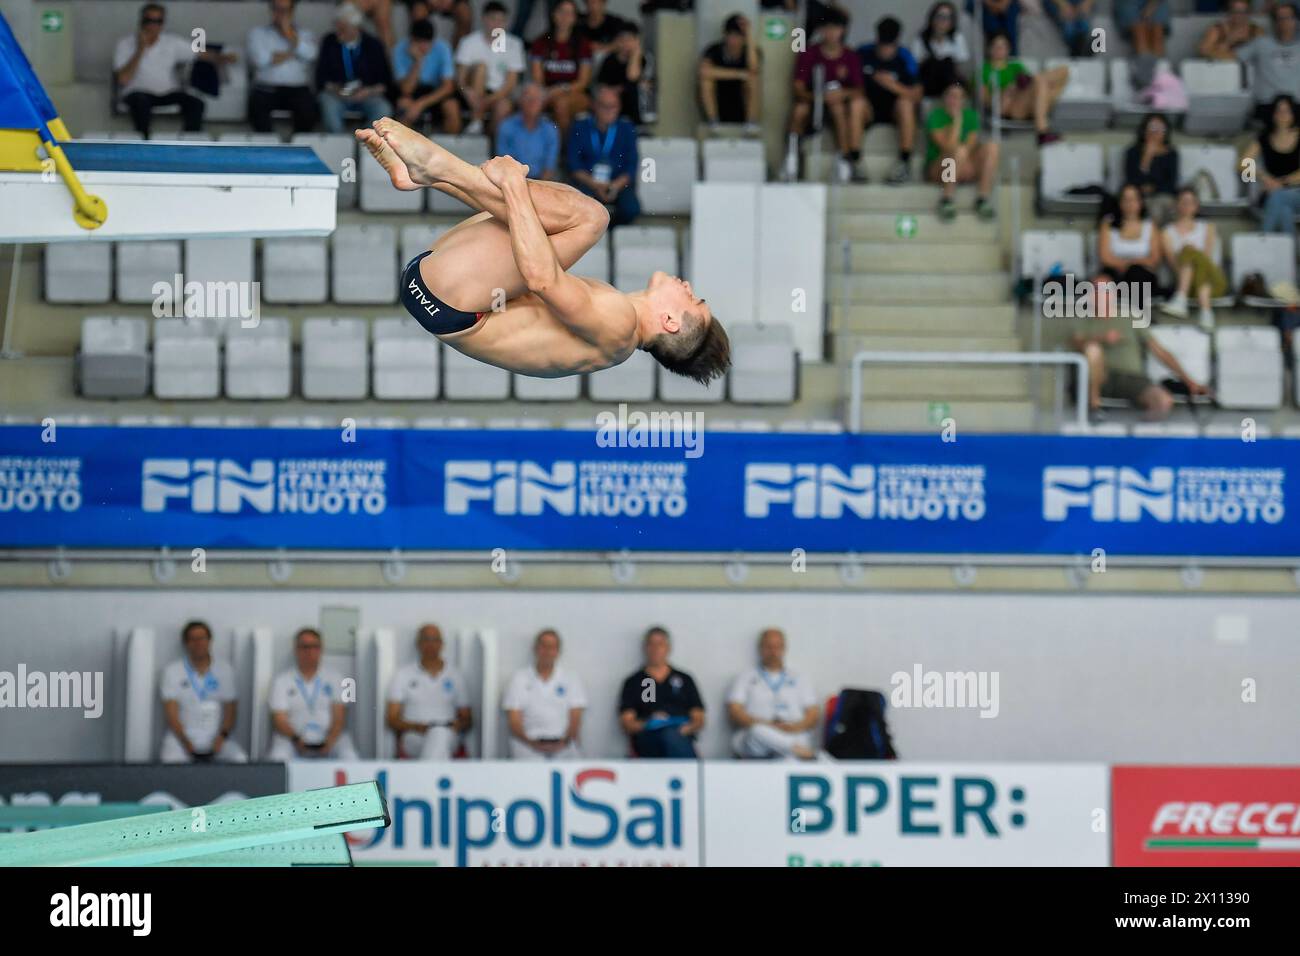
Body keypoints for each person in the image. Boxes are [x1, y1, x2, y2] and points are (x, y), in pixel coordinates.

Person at [359, 119, 731, 382]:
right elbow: (527, 245)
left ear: (670, 322)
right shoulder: (616, 327)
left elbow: (540, 278)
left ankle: (437, 169)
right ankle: (428, 175)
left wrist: (513, 184)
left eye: (693, 300)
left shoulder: (619, 327)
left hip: (451, 300)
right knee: (558, 217)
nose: (688, 287)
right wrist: (512, 191)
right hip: (440, 290)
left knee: (591, 218)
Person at [112, 3, 236, 137]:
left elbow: (199, 53)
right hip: (137, 93)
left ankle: (188, 144)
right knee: (140, 102)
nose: (153, 25)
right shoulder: (125, 44)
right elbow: (122, 79)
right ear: (141, 21)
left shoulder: (171, 42)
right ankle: (144, 143)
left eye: (158, 21)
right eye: (149, 20)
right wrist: (140, 50)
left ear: (163, 23)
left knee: (196, 104)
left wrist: (224, 57)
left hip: (167, 93)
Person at [785, 7, 866, 184]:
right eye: (827, 28)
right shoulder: (807, 53)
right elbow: (798, 87)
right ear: (820, 30)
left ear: (842, 30)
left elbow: (859, 89)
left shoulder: (851, 56)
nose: (831, 33)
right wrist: (819, 97)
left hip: (839, 106)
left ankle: (846, 159)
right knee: (799, 110)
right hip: (813, 102)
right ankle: (791, 157)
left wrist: (841, 94)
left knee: (839, 107)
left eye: (835, 28)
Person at [159, 620, 248, 764]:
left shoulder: (224, 670)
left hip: (216, 736)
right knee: (169, 760)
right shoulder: (172, 671)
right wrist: (186, 742)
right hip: (182, 737)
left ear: (210, 641)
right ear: (186, 643)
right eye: (193, 639)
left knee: (239, 759)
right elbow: (171, 713)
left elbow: (230, 710)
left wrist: (221, 737)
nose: (198, 643)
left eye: (202, 638)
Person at [727, 629, 819, 761]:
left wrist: (795, 727)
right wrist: (769, 725)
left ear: (784, 648)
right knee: (757, 732)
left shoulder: (799, 678)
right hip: (758, 736)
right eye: (768, 646)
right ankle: (801, 752)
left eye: (777, 646)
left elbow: (813, 713)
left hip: (791, 731)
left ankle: (792, 750)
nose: (773, 651)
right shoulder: (745, 677)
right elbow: (734, 711)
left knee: (797, 747)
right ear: (760, 649)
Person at [267, 627, 358, 760]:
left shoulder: (337, 678)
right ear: (296, 649)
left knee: (349, 755)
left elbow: (339, 718)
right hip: (293, 738)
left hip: (328, 737)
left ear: (321, 650)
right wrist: (296, 739)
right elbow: (279, 719)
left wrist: (329, 741)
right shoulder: (282, 681)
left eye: (314, 647)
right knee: (278, 757)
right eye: (304, 647)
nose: (309, 651)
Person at [384, 624, 472, 759]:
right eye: (426, 639)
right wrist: (417, 727)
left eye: (435, 640)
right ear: (418, 644)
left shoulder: (455, 675)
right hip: (414, 735)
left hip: (448, 734)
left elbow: (467, 718)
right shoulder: (403, 675)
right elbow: (392, 718)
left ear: (442, 644)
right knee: (438, 739)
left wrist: (456, 725)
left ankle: (424, 777)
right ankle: (431, 776)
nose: (431, 644)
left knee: (440, 734)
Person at [618, 627, 705, 759]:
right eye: (651, 644)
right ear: (645, 648)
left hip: (680, 736)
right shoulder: (634, 682)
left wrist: (684, 728)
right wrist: (650, 723)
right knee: (665, 735)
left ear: (668, 648)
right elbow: (627, 722)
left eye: (660, 644)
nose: (655, 649)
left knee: (671, 736)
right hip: (647, 740)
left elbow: (699, 718)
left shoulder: (684, 679)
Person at [503, 629, 587, 760]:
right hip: (528, 743)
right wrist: (532, 743)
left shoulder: (571, 678)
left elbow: (576, 718)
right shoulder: (519, 678)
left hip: (562, 743)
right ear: (535, 649)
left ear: (558, 651)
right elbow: (514, 720)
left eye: (552, 647)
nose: (547, 651)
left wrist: (563, 742)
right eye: (543, 646)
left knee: (573, 756)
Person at [858, 15, 922, 185]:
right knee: (856, 103)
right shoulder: (863, 52)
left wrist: (892, 85)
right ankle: (854, 160)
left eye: (889, 46)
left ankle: (904, 162)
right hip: (869, 109)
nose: (885, 50)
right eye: (882, 45)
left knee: (905, 104)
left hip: (895, 111)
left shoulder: (905, 56)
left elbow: (917, 94)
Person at [925, 81, 1000, 221]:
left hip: (963, 164)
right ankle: (947, 199)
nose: (955, 100)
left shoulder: (971, 116)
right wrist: (957, 121)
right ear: (945, 98)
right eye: (951, 96)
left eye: (959, 97)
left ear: (964, 101)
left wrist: (963, 163)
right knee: (958, 151)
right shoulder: (935, 116)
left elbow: (970, 146)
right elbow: (947, 148)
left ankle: (982, 199)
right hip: (939, 167)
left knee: (992, 147)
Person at [316, 2, 394, 133]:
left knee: (383, 109)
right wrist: (337, 89)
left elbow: (384, 82)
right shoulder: (329, 42)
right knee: (328, 104)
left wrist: (367, 91)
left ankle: (364, 142)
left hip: (367, 95)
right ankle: (340, 144)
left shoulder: (373, 45)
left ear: (356, 28)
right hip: (337, 95)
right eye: (337, 27)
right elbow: (321, 78)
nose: (339, 33)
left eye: (343, 29)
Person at [568, 85, 640, 224]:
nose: (609, 111)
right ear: (595, 105)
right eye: (604, 106)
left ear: (619, 107)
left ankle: (611, 234)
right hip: (588, 182)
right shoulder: (580, 126)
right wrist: (596, 185)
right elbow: (574, 165)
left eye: (613, 106)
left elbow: (632, 166)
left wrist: (614, 186)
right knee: (578, 207)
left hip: (617, 183)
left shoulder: (626, 129)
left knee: (631, 208)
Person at [980, 31, 1066, 147]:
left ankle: (1042, 128)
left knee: (1063, 71)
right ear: (990, 49)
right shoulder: (984, 70)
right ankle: (1042, 130)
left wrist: (1021, 83)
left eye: (1003, 46)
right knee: (1040, 81)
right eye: (996, 46)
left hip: (1029, 103)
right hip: (1010, 107)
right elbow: (986, 101)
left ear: (1008, 49)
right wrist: (1007, 91)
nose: (1000, 49)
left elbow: (1033, 86)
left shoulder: (1015, 66)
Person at [1160, 187, 1229, 330]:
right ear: (1177, 204)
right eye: (1184, 202)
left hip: (1214, 280)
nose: (1187, 206)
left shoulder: (1207, 227)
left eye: (1191, 202)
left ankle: (1180, 299)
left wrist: (1190, 251)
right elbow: (1175, 266)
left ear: (1196, 206)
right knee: (1188, 251)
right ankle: (1206, 312)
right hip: (1187, 284)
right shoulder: (1167, 232)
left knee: (1189, 250)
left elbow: (1206, 260)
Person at [247, 0, 319, 133]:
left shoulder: (305, 34)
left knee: (309, 109)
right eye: (277, 10)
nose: (281, 15)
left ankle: (299, 147)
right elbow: (260, 60)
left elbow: (311, 55)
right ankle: (266, 147)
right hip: (266, 89)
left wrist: (290, 35)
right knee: (256, 107)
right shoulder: (258, 33)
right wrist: (292, 54)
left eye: (285, 11)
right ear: (272, 11)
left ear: (292, 12)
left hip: (298, 90)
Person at [455, 1, 527, 135]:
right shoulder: (468, 42)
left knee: (503, 107)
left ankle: (491, 142)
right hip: (471, 93)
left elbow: (511, 83)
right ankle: (477, 121)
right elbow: (461, 78)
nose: (497, 24)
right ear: (484, 19)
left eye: (501, 20)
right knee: (481, 67)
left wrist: (487, 101)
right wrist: (467, 93)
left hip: (498, 94)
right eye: (493, 19)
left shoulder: (514, 44)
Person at [529, 0, 592, 138]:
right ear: (554, 15)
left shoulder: (582, 44)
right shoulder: (541, 42)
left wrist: (562, 89)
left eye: (569, 13)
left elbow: (583, 82)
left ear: (575, 18)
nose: (565, 17)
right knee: (528, 102)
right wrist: (547, 92)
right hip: (547, 91)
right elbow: (537, 78)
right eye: (561, 12)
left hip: (574, 92)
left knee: (561, 104)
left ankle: (563, 152)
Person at [1241, 94, 1300, 238]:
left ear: (1293, 113)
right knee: (1283, 210)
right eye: (1278, 111)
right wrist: (1264, 177)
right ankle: (1293, 253)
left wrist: (1281, 182)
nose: (1282, 115)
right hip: (1270, 189)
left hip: (1296, 192)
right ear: (1273, 114)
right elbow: (1242, 164)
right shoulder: (1264, 137)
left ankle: (1262, 240)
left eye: (1286, 111)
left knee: (1278, 196)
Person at [1237, 4, 1300, 125]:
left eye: (1288, 18)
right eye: (1279, 18)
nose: (1284, 23)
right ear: (1274, 22)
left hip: (1297, 104)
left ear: (1296, 20)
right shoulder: (1261, 43)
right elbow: (1234, 57)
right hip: (1266, 104)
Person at [393, 18, 460, 131]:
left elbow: (448, 87)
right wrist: (418, 61)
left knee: (451, 106)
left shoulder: (443, 48)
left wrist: (421, 104)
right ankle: (405, 147)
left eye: (428, 42)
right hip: (413, 91)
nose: (424, 47)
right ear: (412, 40)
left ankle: (450, 146)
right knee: (403, 105)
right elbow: (406, 89)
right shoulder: (399, 49)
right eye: (419, 42)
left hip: (435, 93)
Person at [699, 14, 761, 133]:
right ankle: (713, 121)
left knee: (752, 81)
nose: (733, 40)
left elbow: (753, 70)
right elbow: (704, 72)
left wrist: (748, 33)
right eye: (730, 35)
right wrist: (740, 74)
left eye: (737, 36)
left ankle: (751, 123)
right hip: (720, 99)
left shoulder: (751, 51)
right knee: (706, 82)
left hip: (741, 102)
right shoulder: (714, 50)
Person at [1124, 113, 1179, 224]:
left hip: (1163, 195)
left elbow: (1171, 183)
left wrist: (1153, 189)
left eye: (1160, 128)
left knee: (1165, 206)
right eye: (1152, 127)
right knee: (1153, 207)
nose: (1155, 132)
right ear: (1144, 130)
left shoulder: (1172, 154)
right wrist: (1146, 158)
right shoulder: (1132, 152)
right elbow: (1132, 180)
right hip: (1138, 196)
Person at [497, 82, 560, 178]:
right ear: (520, 101)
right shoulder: (507, 126)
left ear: (543, 103)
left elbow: (549, 168)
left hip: (542, 183)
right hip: (513, 181)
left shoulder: (550, 129)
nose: (532, 102)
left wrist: (538, 188)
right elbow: (504, 164)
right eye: (528, 98)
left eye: (537, 99)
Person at [595, 21, 652, 126]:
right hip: (612, 98)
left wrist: (635, 55)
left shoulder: (642, 59)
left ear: (636, 41)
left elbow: (632, 77)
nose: (625, 44)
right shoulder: (609, 60)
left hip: (633, 99)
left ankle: (636, 125)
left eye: (629, 39)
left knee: (633, 90)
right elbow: (602, 85)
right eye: (622, 40)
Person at [913, 2, 971, 99]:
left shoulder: (957, 38)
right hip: (929, 81)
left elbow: (959, 67)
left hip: (949, 81)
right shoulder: (921, 38)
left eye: (948, 17)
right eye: (940, 16)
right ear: (932, 18)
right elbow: (916, 67)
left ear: (952, 21)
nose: (943, 21)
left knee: (948, 65)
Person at [1198, 0, 1264, 61]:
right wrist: (1228, 42)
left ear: (1249, 14)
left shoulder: (1256, 31)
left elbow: (1264, 54)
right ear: (1229, 13)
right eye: (1236, 12)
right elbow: (1203, 52)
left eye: (1244, 12)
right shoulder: (1218, 30)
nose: (1240, 16)